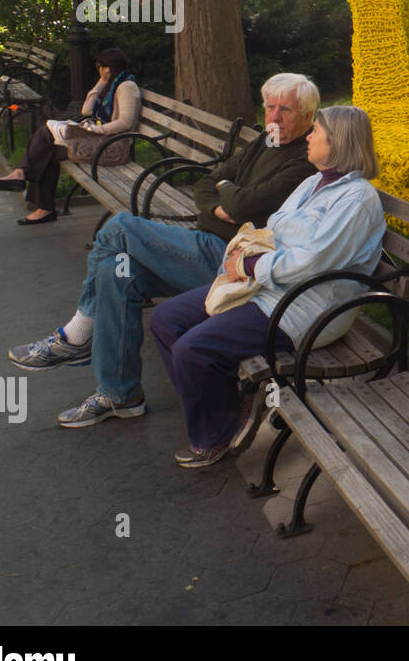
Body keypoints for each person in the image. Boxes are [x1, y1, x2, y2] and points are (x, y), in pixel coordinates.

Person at [5, 73, 321, 430]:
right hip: (203, 244)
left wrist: (225, 194)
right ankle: (120, 395)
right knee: (116, 272)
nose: (275, 117)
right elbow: (207, 183)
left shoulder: (305, 159)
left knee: (120, 227)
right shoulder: (266, 140)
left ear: (309, 115)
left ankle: (77, 336)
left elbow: (246, 205)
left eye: (286, 110)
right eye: (270, 107)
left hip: (231, 262)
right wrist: (222, 197)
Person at [150, 106, 384, 467]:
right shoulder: (314, 181)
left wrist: (249, 265)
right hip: (267, 288)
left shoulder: (357, 199)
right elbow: (275, 229)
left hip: (307, 306)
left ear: (338, 141)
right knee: (167, 318)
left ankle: (219, 433)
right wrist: (250, 261)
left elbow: (315, 261)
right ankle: (229, 406)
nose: (308, 136)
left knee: (191, 350)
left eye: (315, 131)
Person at [0, 48, 140, 225]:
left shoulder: (126, 86)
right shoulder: (111, 85)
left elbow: (125, 123)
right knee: (46, 148)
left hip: (113, 147)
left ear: (107, 67)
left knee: (45, 141)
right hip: (101, 141)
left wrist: (96, 130)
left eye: (100, 67)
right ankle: (29, 187)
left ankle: (31, 188)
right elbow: (86, 110)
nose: (98, 70)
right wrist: (100, 84)